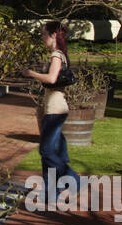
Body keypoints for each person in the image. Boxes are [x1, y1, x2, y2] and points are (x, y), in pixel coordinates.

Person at [25, 21, 81, 212]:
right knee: (53, 155)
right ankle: (51, 194)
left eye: (44, 34)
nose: (42, 38)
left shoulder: (57, 55)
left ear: (53, 36)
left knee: (47, 152)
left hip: (55, 111)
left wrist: (31, 73)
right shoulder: (59, 55)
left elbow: (51, 79)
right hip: (53, 108)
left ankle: (74, 180)